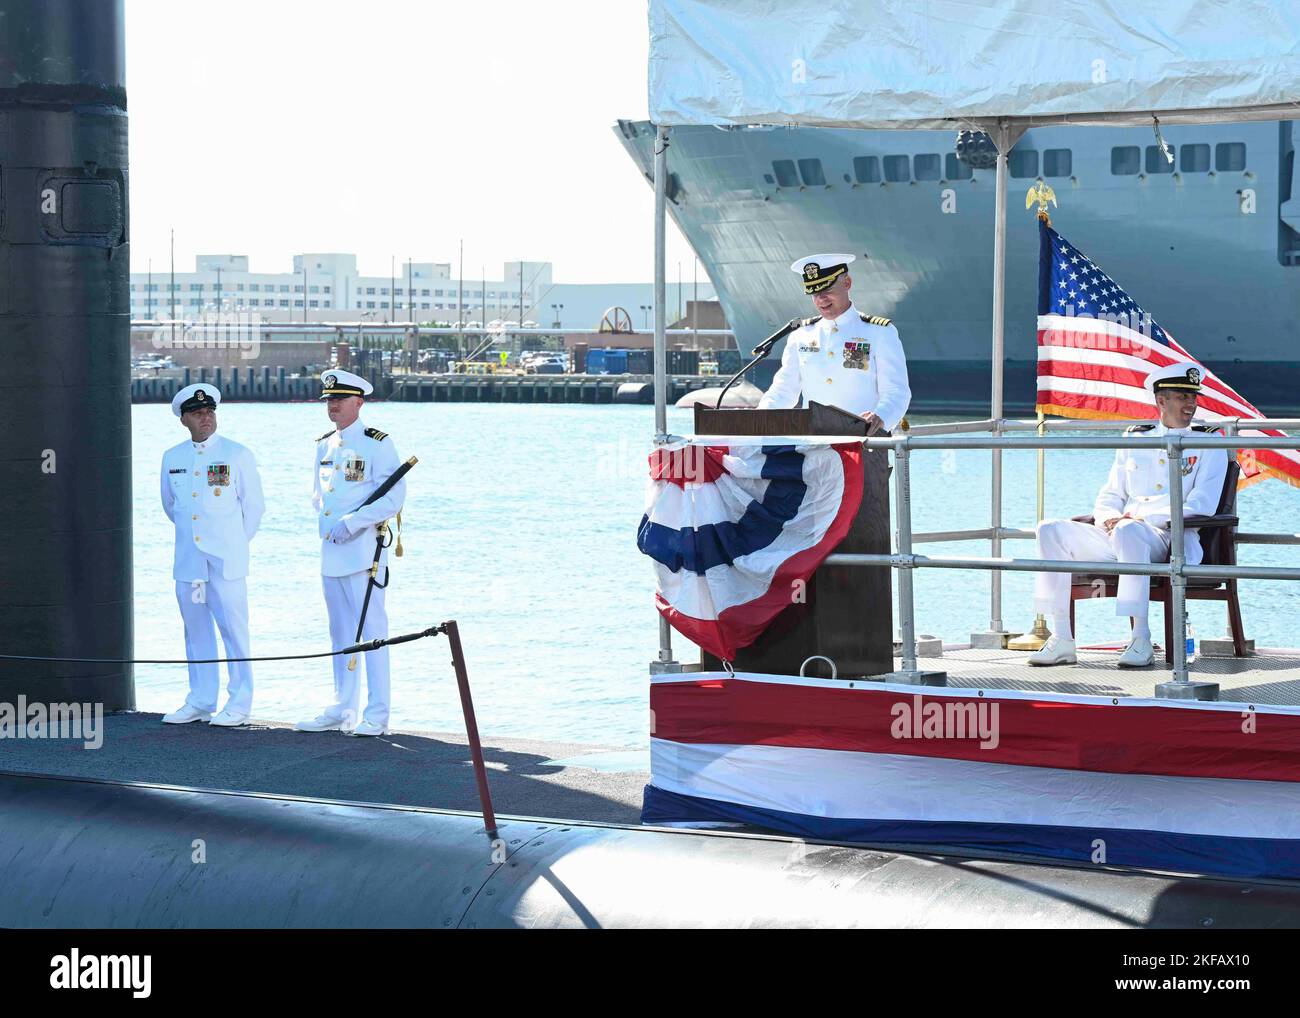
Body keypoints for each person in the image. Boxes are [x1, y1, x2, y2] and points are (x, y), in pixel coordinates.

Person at [1028, 363, 1229, 668]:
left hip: (1169, 538)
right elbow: (1110, 494)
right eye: (1182, 397)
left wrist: (1137, 517)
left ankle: (1141, 638)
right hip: (1122, 534)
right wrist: (1108, 518)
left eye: (1193, 397)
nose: (1191, 404)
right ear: (1161, 401)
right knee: (1049, 530)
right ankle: (1061, 638)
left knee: (1129, 532)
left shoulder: (1208, 441)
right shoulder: (1137, 437)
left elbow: (1203, 504)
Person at [296, 369, 406, 737]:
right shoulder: (323, 445)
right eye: (329, 399)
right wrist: (331, 525)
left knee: (372, 633)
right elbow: (318, 496)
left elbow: (394, 497)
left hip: (362, 553)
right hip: (331, 552)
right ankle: (343, 708)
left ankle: (377, 713)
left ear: (359, 402)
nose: (333, 405)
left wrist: (355, 521)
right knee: (340, 633)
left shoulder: (378, 444)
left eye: (340, 399)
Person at [159, 383, 264, 726]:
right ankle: (201, 699)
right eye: (198, 413)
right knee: (196, 630)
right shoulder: (172, 458)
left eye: (209, 412)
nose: (206, 418)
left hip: (225, 562)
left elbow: (254, 510)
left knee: (234, 631)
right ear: (183, 419)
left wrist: (231, 544)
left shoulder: (237, 455)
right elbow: (171, 507)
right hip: (190, 561)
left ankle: (240, 703)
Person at [757, 252, 911, 434]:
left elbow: (897, 391)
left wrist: (880, 417)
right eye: (814, 293)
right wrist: (758, 419)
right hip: (810, 447)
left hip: (861, 445)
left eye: (826, 290)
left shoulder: (879, 332)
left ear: (847, 283)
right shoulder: (802, 335)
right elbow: (783, 391)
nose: (821, 299)